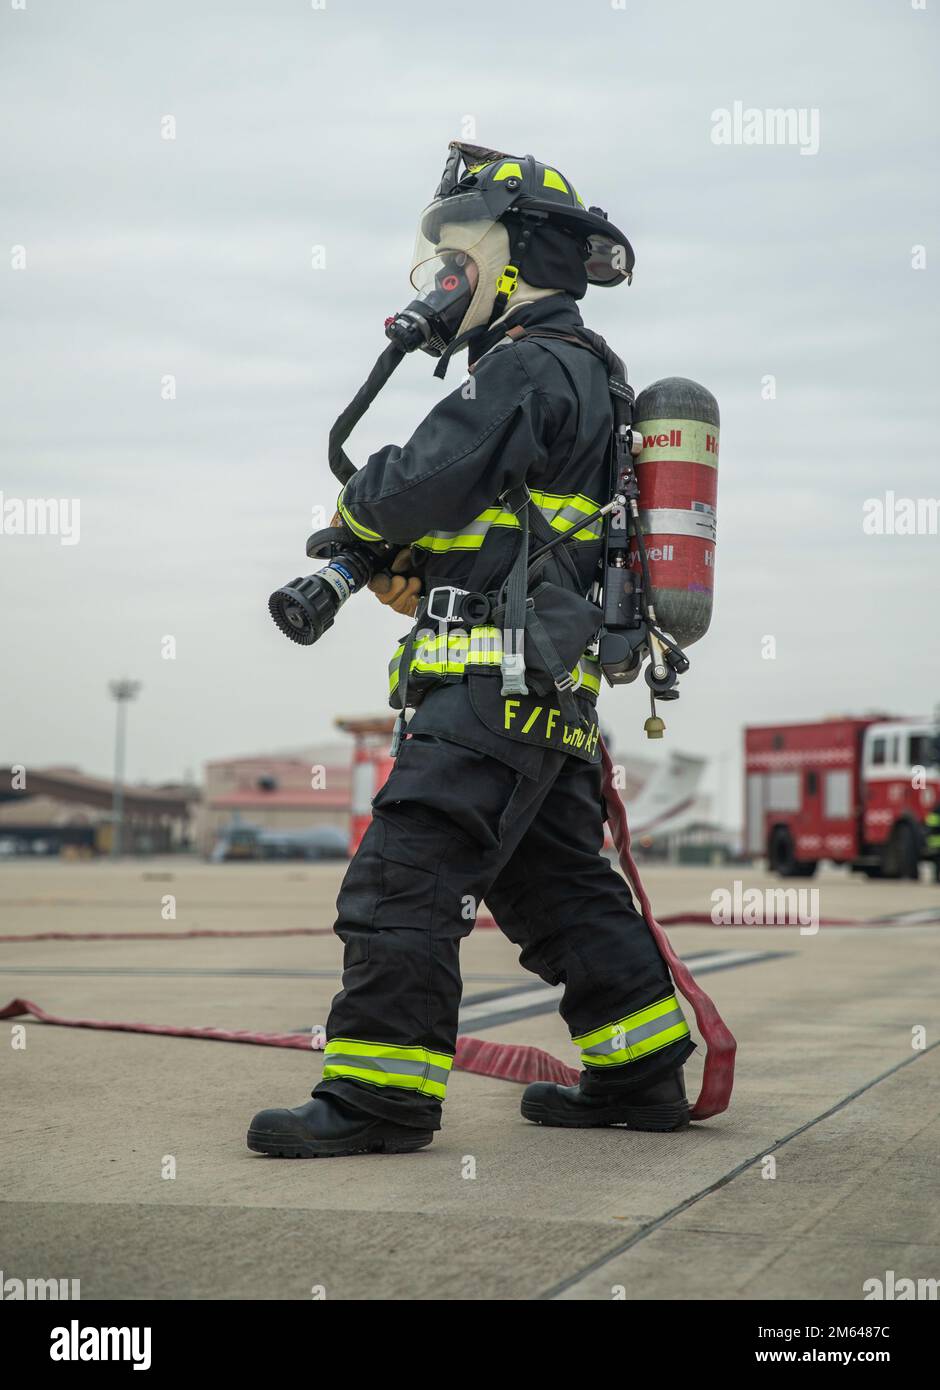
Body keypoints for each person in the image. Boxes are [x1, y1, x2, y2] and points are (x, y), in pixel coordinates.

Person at [248, 143, 695, 1158]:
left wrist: (356, 525)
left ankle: (378, 1096)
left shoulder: (531, 364)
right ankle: (639, 1071)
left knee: (402, 880)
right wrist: (415, 568)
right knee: (556, 889)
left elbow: (423, 473)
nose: (443, 281)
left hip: (487, 696)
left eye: (459, 257)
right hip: (547, 697)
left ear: (515, 255)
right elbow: (501, 522)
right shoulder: (590, 378)